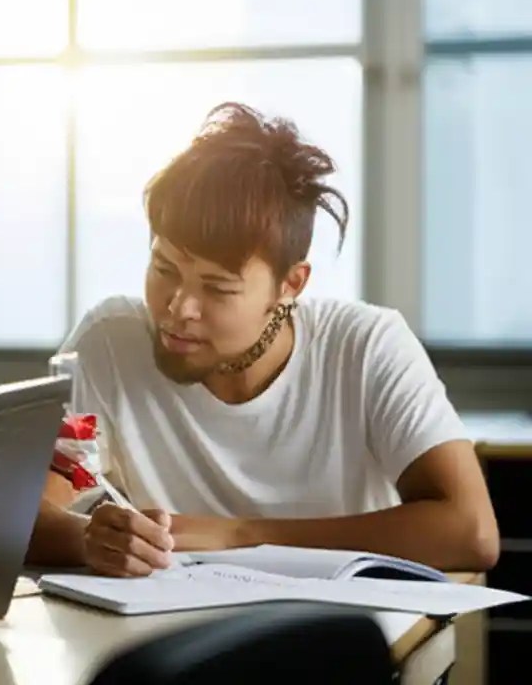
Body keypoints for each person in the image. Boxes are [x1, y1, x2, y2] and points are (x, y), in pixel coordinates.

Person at [26, 102, 499, 578]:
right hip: (167, 635)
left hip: (344, 637)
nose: (177, 308)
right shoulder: (108, 344)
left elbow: (470, 531)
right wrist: (89, 540)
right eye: (164, 268)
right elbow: (26, 514)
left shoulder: (366, 347)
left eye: (217, 287)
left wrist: (240, 535)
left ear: (290, 285)